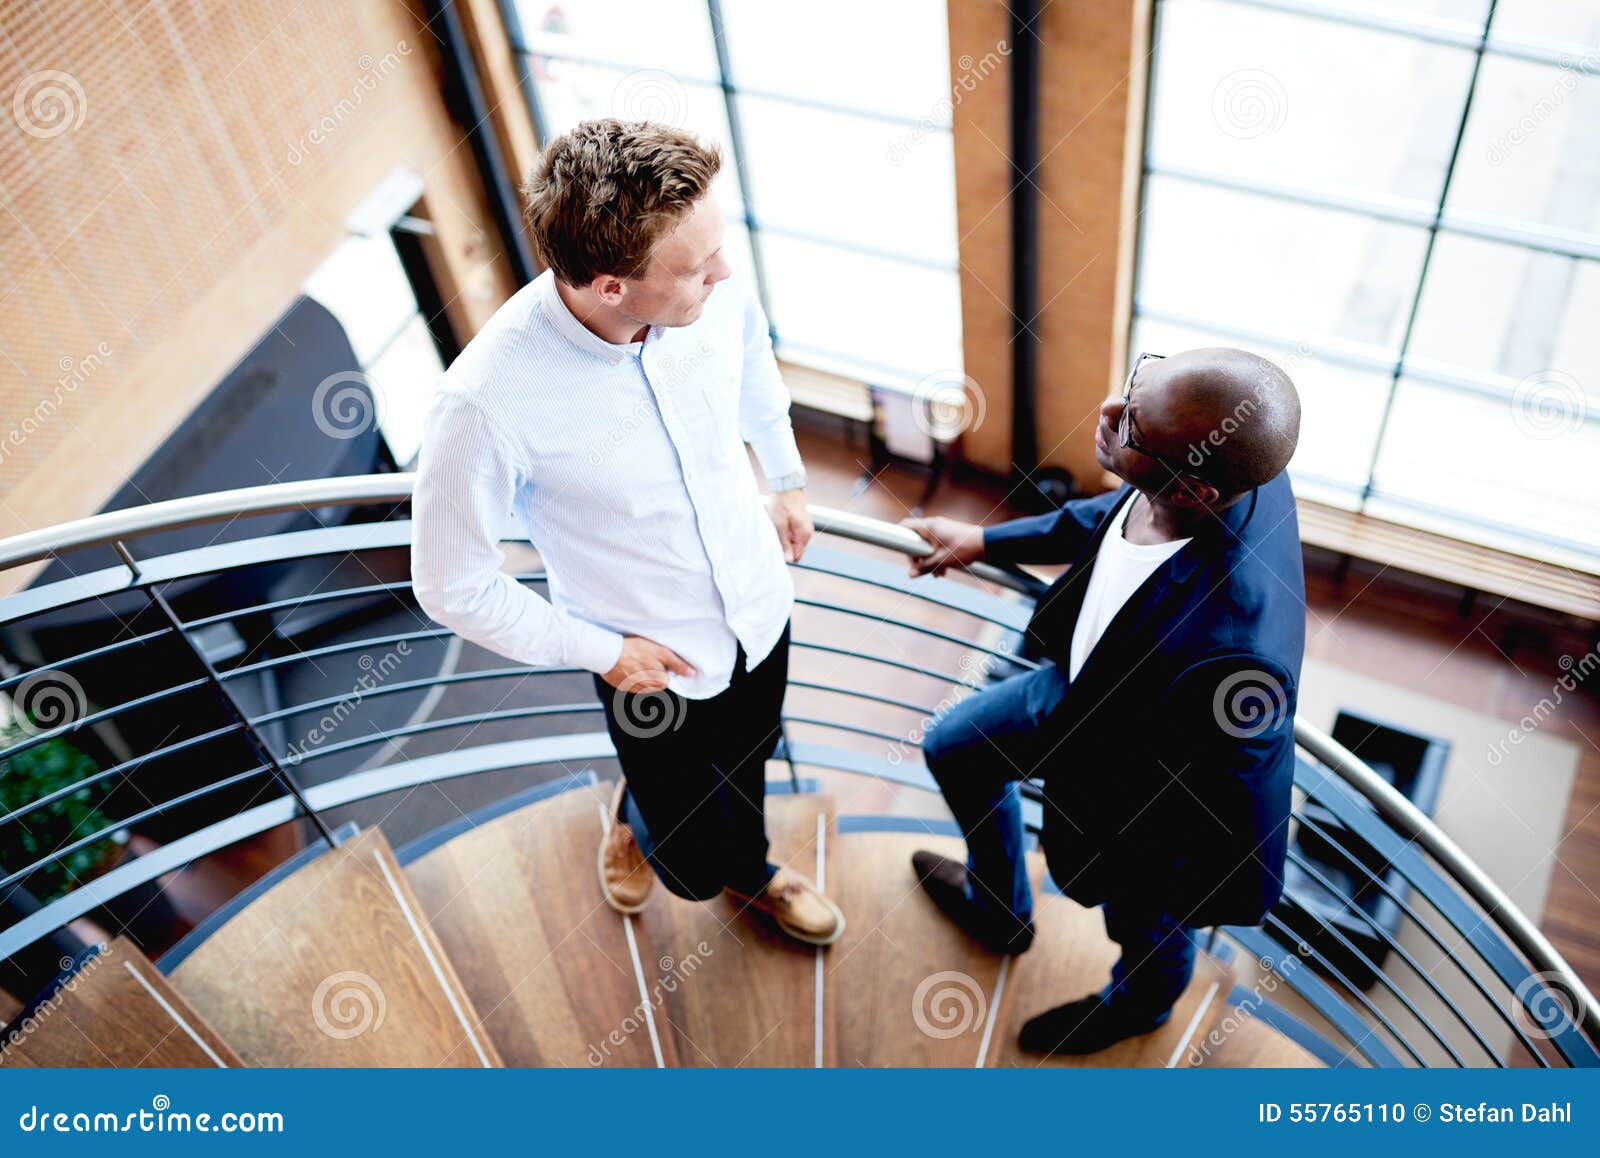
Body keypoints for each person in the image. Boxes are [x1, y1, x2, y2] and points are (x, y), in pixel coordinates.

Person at [410, 118, 843, 946]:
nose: (724, 271)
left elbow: (752, 362)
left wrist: (785, 477)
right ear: (610, 284)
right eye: (695, 267)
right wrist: (601, 653)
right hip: (649, 668)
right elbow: (451, 584)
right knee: (686, 864)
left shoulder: (710, 286)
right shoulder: (483, 405)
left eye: (718, 246)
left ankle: (752, 873)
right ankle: (640, 822)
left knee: (749, 766)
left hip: (759, 606)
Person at [901, 347, 1304, 1053]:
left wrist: (1177, 884)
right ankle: (1000, 912)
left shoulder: (1234, 649)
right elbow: (1110, 513)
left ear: (1193, 491)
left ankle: (1137, 1007)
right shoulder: (1214, 466)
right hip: (1085, 690)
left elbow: (1231, 785)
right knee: (955, 748)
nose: (1108, 416)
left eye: (1133, 428)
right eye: (1132, 392)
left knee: (1148, 923)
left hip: (1154, 796)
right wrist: (985, 541)